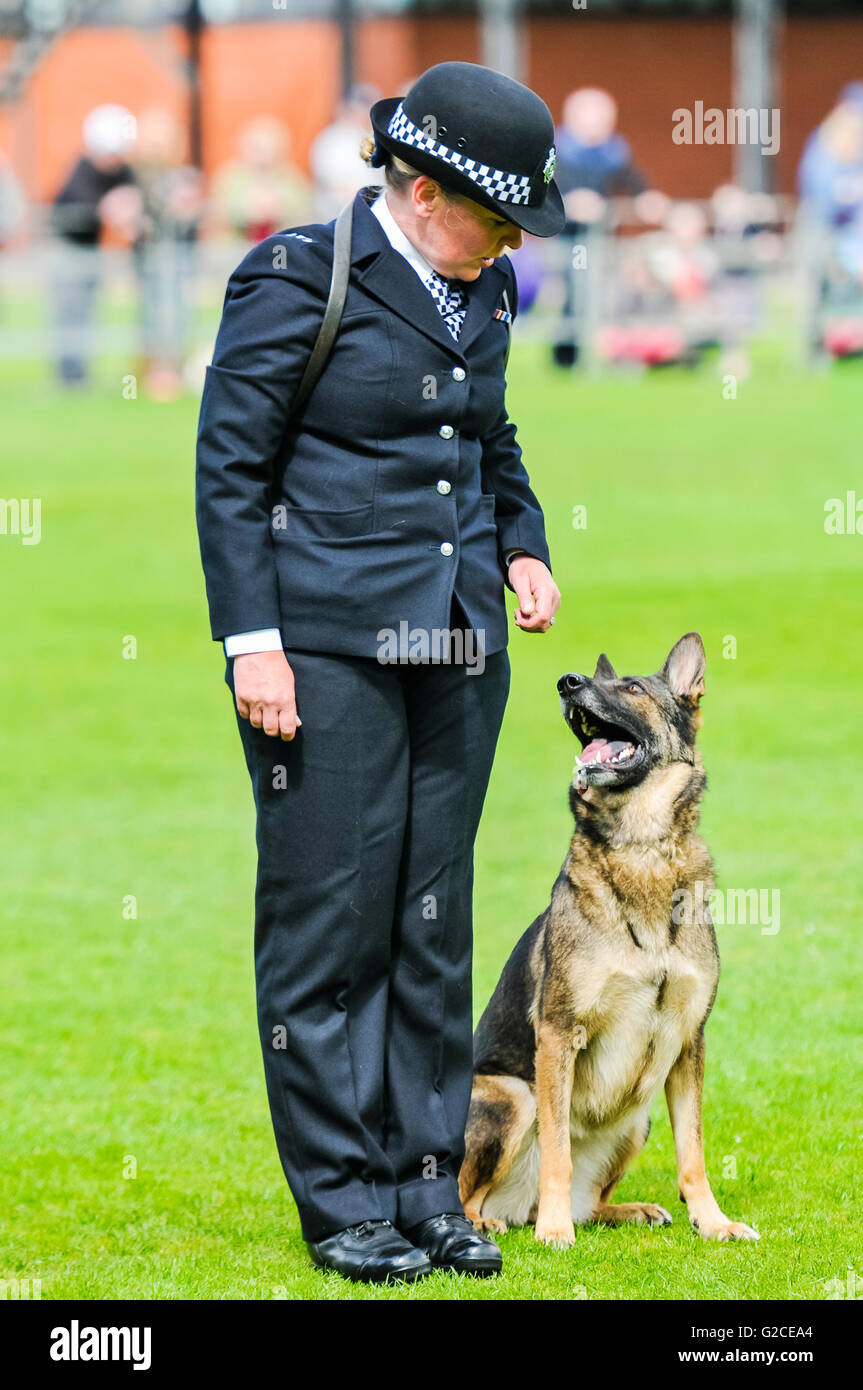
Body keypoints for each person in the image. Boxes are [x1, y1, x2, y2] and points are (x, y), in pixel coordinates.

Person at [195, 61, 563, 1285]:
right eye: (495, 217)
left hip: (457, 644)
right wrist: (255, 643)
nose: (510, 243)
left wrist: (522, 544)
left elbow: (490, 436)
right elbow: (230, 470)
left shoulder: (487, 282)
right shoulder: (299, 275)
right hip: (324, 649)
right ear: (417, 190)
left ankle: (425, 1184)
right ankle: (339, 1197)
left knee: (430, 918)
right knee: (329, 926)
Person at [50, 104, 140, 386]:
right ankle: (71, 377)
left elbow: (133, 199)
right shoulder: (82, 171)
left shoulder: (124, 171)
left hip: (93, 253)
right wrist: (107, 208)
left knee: (87, 314)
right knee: (70, 313)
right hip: (70, 253)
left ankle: (80, 374)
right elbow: (77, 206)